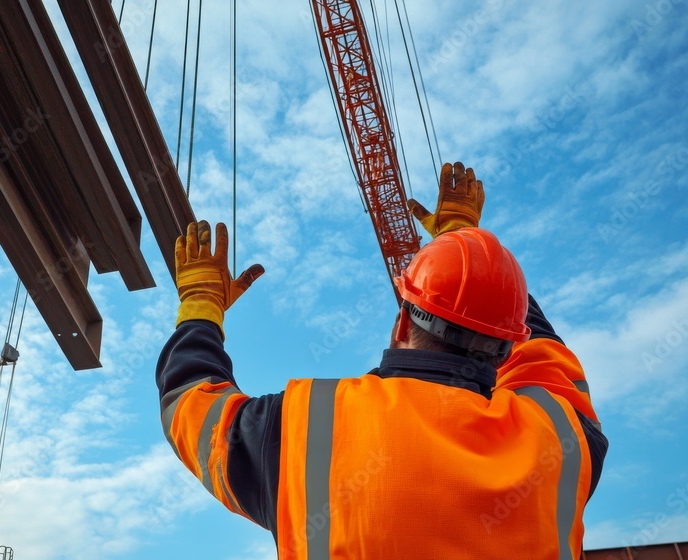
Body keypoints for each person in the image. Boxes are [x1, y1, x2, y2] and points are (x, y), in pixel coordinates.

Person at [155, 162, 608, 559]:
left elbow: (191, 407)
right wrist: (466, 251)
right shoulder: (559, 441)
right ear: (508, 349)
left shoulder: (307, 425)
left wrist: (200, 306)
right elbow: (543, 353)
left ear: (400, 326)